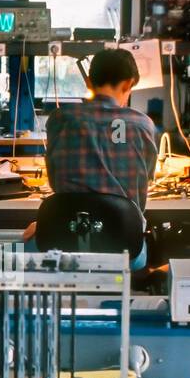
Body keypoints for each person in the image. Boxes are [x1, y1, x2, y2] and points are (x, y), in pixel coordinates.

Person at [39, 48, 159, 269]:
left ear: (88, 82)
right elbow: (145, 182)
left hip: (67, 241)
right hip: (124, 248)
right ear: (128, 84)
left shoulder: (60, 120)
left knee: (27, 242)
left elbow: (55, 183)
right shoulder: (142, 125)